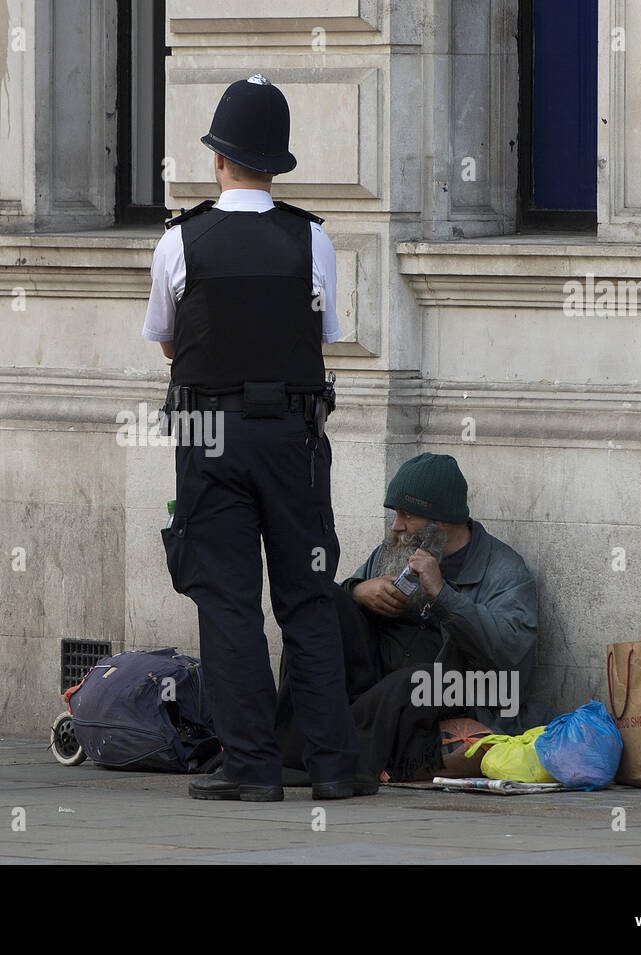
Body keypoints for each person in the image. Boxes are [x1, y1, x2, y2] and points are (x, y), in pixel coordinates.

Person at [144, 75, 372, 801]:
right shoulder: (312, 238)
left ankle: (251, 769)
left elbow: (169, 342)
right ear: (276, 166)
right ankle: (333, 767)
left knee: (229, 602)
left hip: (211, 438)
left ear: (218, 159)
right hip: (295, 441)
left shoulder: (181, 241)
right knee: (307, 600)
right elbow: (323, 337)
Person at [277, 452, 543, 782]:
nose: (396, 526)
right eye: (395, 514)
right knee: (323, 601)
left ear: (442, 520)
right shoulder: (394, 548)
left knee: (419, 681)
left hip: (448, 693)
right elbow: (345, 609)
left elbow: (506, 654)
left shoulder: (505, 572)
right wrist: (359, 592)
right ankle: (296, 741)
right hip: (375, 690)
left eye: (407, 515)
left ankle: (325, 752)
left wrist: (443, 595)